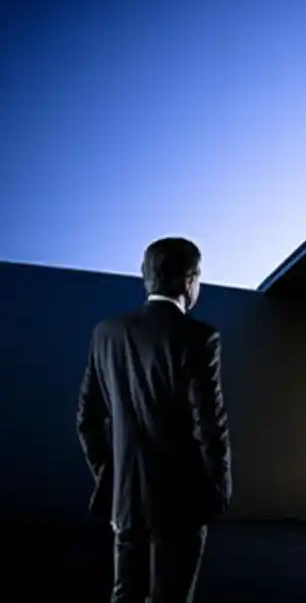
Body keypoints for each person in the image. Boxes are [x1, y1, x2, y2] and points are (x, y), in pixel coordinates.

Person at [76, 237, 232, 602]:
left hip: (127, 499)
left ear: (145, 277)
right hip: (182, 501)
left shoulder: (106, 334)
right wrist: (218, 491)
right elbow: (210, 423)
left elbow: (87, 419)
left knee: (125, 594)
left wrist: (112, 482)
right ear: (190, 280)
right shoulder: (200, 337)